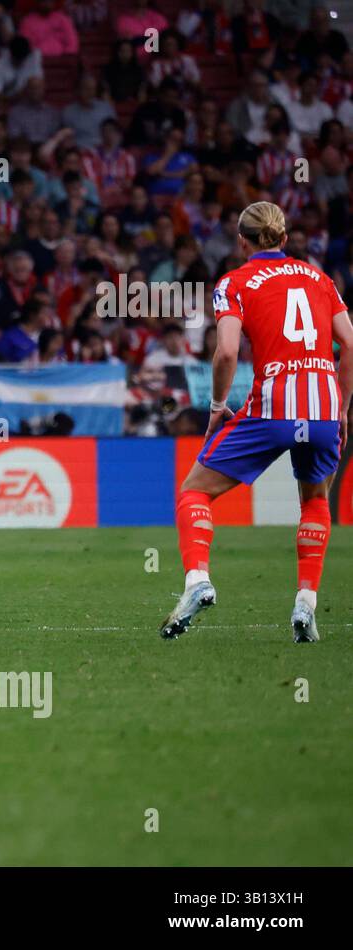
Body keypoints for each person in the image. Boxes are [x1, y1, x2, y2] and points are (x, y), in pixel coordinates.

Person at [163, 202, 353, 642]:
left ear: (241, 241)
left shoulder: (234, 282)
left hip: (274, 401)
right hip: (323, 403)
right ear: (285, 240)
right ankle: (305, 604)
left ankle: (198, 580)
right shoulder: (320, 278)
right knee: (314, 500)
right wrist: (341, 405)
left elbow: (227, 351)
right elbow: (349, 341)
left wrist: (215, 404)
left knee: (195, 490)